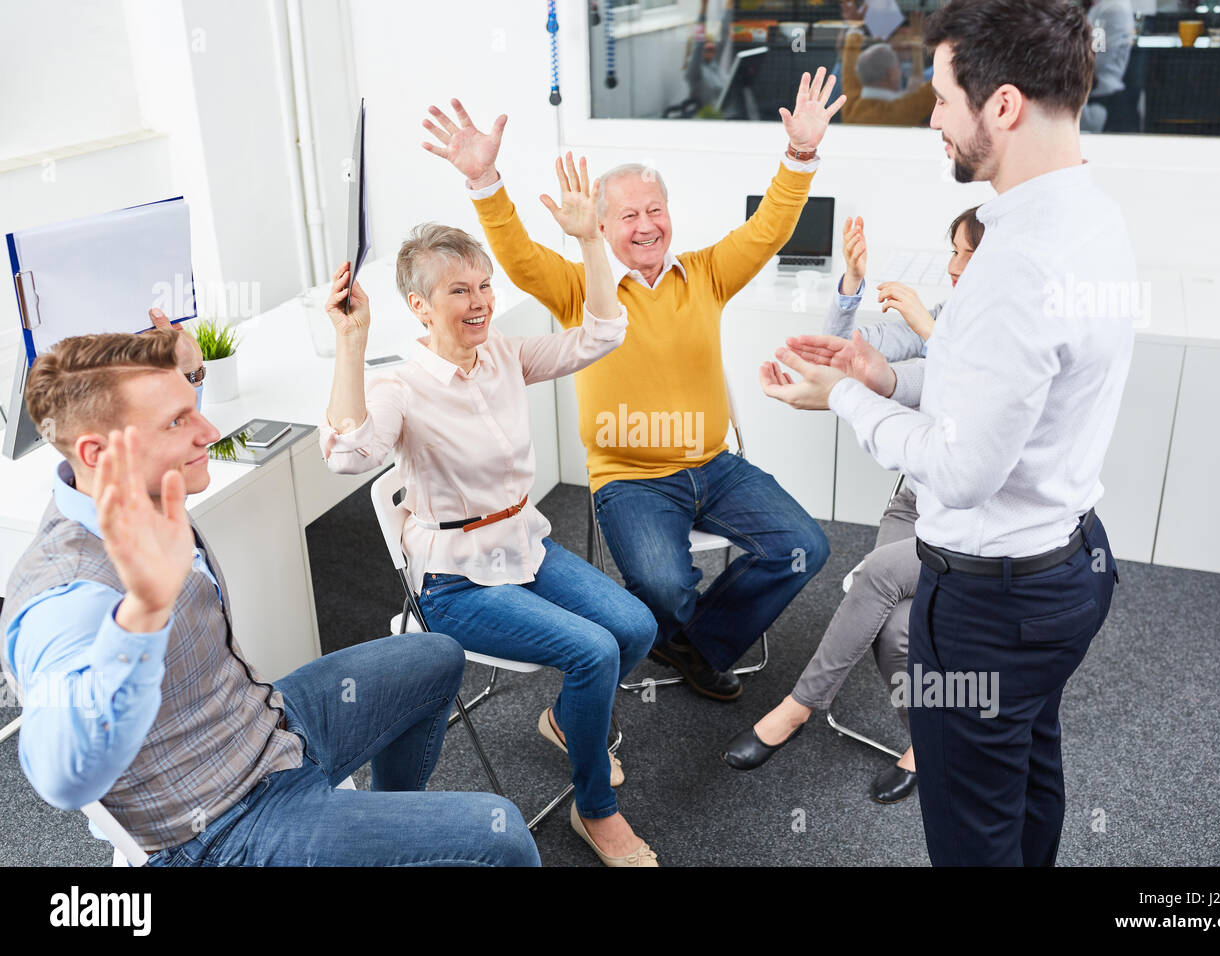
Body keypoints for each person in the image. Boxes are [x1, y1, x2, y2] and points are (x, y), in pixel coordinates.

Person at [759, 0, 1133, 866]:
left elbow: (959, 470)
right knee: (1029, 775)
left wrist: (841, 402)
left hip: (992, 608)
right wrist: (878, 376)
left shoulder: (1013, 266)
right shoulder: (1090, 217)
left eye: (941, 96)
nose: (931, 116)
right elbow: (996, 390)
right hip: (1072, 566)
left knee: (973, 835)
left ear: (1001, 105)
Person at [0, 328, 539, 867]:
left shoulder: (128, 481)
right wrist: (140, 614)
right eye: (178, 421)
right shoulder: (65, 593)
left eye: (192, 404)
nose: (208, 431)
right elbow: (60, 776)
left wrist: (180, 360)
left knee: (436, 654)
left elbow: (142, 401)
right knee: (502, 835)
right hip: (220, 825)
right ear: (97, 451)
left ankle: (389, 838)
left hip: (267, 727)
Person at [420, 75, 843, 701]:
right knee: (666, 585)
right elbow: (515, 257)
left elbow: (769, 230)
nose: (646, 226)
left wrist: (800, 154)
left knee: (804, 545)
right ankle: (685, 631)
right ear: (600, 222)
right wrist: (485, 181)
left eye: (655, 211)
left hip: (716, 467)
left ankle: (695, 643)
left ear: (669, 216)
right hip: (630, 478)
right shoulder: (580, 287)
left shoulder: (705, 274)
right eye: (628, 215)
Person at [320, 155, 659, 867]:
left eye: (482, 286)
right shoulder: (400, 387)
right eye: (456, 291)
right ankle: (596, 813)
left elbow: (602, 334)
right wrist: (350, 344)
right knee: (594, 650)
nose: (477, 302)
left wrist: (592, 241)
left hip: (525, 548)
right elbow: (348, 455)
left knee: (634, 625)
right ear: (418, 305)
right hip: (456, 583)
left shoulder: (503, 352)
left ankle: (568, 722)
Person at [723, 207, 984, 809]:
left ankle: (797, 708)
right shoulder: (939, 320)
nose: (951, 266)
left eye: (963, 254)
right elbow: (845, 353)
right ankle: (929, 736)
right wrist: (850, 283)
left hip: (974, 528)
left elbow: (961, 394)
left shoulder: (1001, 340)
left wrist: (924, 326)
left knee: (874, 579)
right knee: (892, 630)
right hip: (915, 502)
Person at [841, 28, 937, 126]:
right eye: (898, 66)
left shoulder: (851, 107)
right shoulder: (900, 110)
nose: (901, 70)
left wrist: (854, 30)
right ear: (891, 74)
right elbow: (935, 88)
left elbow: (849, 73)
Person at [1080, 0, 1135, 133]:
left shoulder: (1110, 8)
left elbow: (1098, 53)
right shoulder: (1109, 6)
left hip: (1104, 94)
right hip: (1105, 90)